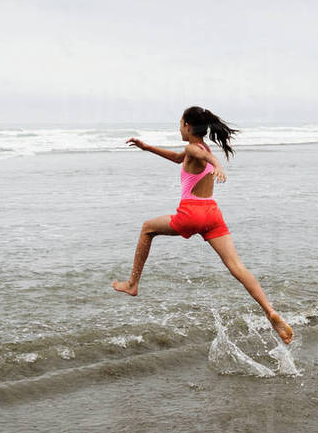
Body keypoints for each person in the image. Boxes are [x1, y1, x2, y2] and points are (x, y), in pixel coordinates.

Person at [111, 106, 294, 345]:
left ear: (188, 126)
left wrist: (217, 164)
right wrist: (147, 148)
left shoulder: (195, 149)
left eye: (180, 124)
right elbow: (179, 158)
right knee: (237, 266)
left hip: (192, 213)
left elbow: (206, 157)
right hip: (212, 214)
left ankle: (132, 283)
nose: (178, 128)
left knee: (147, 228)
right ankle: (269, 310)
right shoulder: (200, 148)